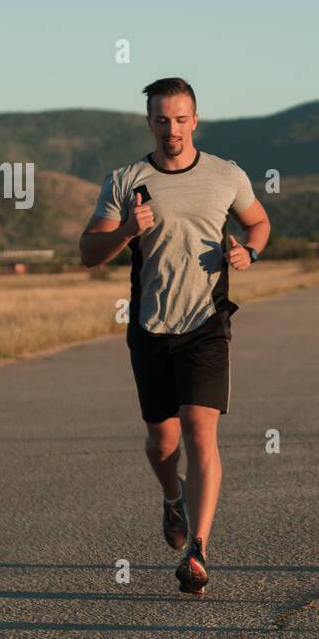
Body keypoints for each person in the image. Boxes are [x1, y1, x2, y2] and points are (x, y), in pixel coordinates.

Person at [79, 77, 271, 595]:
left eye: (181, 119)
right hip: (149, 328)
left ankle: (199, 550)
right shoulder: (126, 180)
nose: (172, 130)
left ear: (195, 121)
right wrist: (124, 233)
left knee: (198, 431)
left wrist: (248, 252)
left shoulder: (226, 175)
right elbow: (88, 254)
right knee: (162, 442)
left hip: (206, 325)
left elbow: (259, 224)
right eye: (162, 120)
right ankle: (172, 497)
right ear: (149, 123)